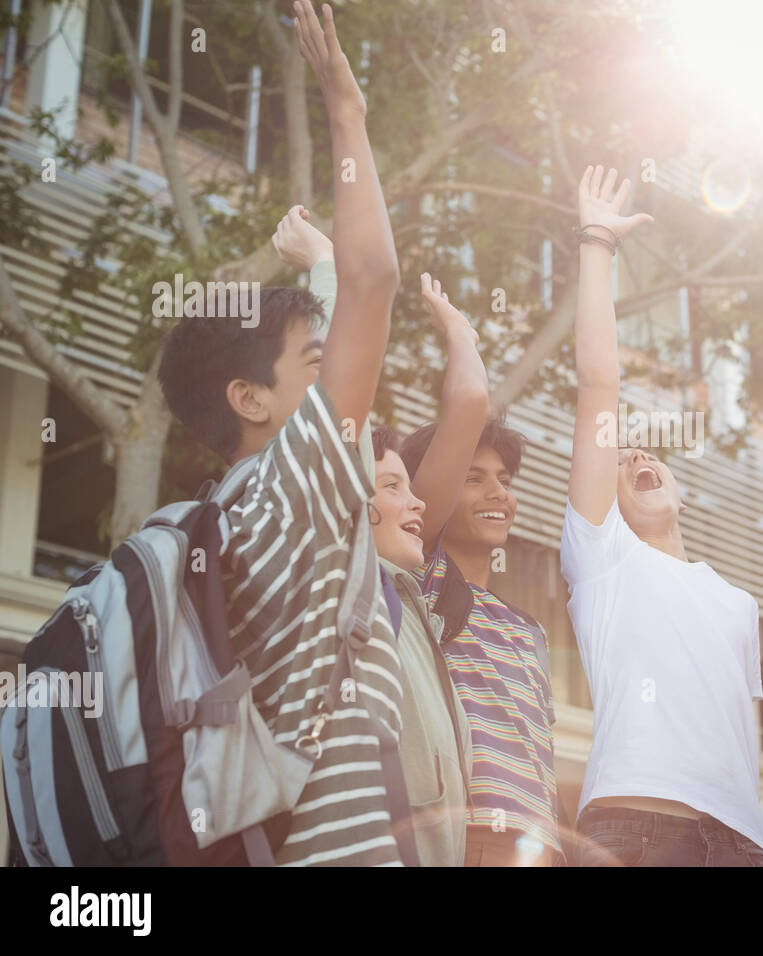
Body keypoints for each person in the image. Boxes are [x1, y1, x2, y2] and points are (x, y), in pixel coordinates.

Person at [157, 0, 408, 865]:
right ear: (249, 400)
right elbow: (378, 283)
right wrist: (346, 109)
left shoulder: (229, 517)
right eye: (311, 363)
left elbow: (352, 313)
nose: (337, 377)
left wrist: (324, 270)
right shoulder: (289, 493)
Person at [562, 165, 763, 866]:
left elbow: (744, 741)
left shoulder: (739, 604)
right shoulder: (604, 559)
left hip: (742, 842)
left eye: (647, 453)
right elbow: (600, 382)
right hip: (638, 832)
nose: (635, 457)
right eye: (619, 460)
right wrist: (598, 242)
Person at [272, 207, 478, 866]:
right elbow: (333, 412)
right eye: (390, 486)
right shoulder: (343, 579)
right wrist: (326, 268)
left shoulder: (412, 605)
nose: (417, 502)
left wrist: (464, 334)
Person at [400, 414, 563, 866]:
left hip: (537, 847)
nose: (499, 494)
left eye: (505, 480)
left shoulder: (530, 630)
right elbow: (465, 406)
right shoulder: (422, 588)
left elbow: (540, 752)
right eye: (473, 478)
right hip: (469, 836)